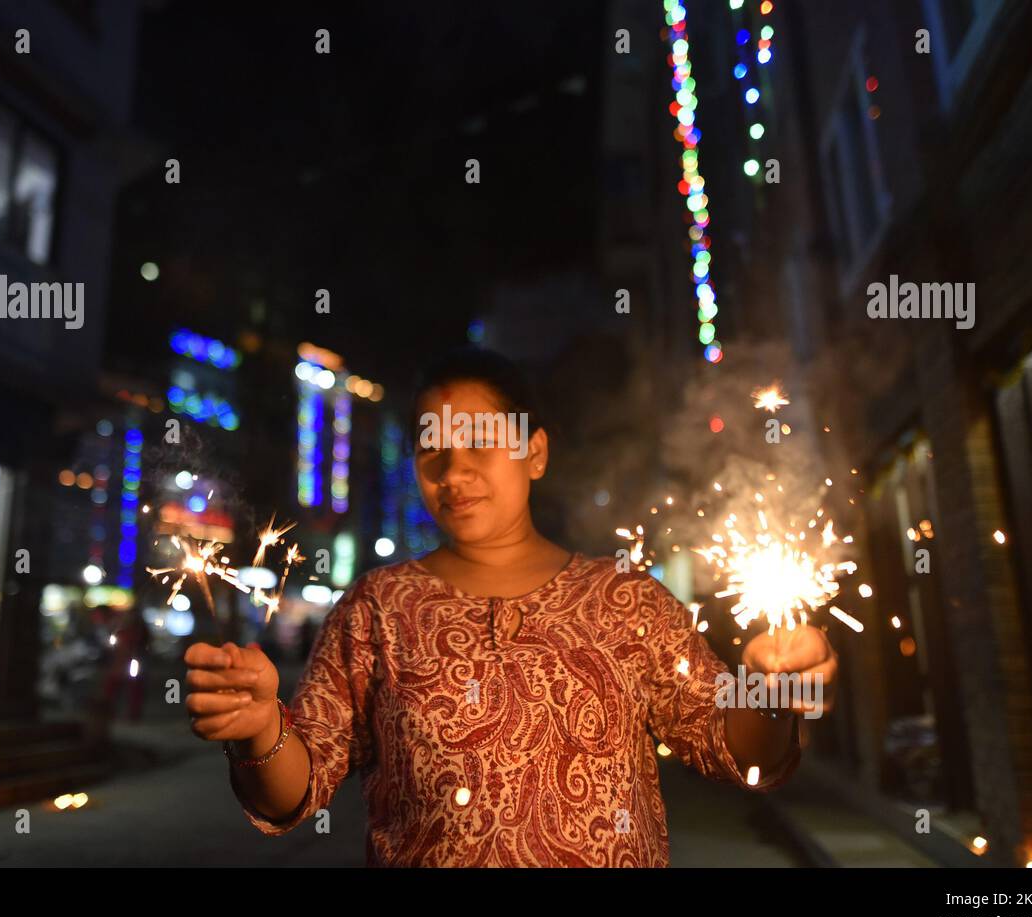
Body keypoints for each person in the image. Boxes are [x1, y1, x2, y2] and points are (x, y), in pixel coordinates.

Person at [185, 348, 838, 866]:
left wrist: (772, 688)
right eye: (431, 445)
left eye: (480, 440)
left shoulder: (626, 600)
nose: (453, 469)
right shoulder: (378, 609)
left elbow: (735, 749)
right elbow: (295, 788)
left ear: (536, 453)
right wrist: (260, 730)